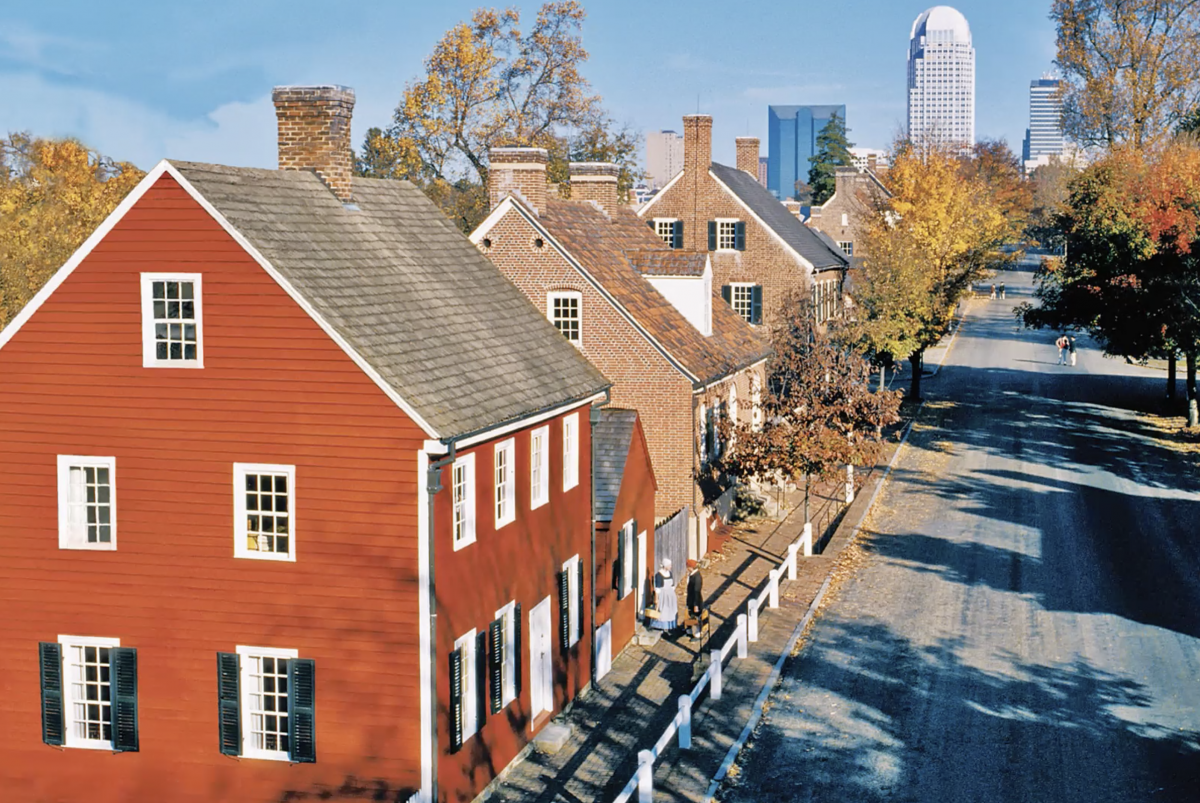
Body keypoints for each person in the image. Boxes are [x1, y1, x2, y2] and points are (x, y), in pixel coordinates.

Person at [651, 559, 677, 633]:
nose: (670, 566)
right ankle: (662, 627)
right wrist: (656, 599)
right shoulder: (659, 575)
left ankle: (670, 626)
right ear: (665, 566)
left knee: (671, 610)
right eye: (669, 565)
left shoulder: (670, 573)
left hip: (670, 595)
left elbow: (672, 585)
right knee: (663, 611)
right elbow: (657, 589)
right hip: (663, 596)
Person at [685, 561, 704, 638]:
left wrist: (696, 604)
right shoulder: (692, 575)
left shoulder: (697, 577)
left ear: (691, 567)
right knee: (690, 615)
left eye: (688, 567)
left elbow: (697, 591)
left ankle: (697, 633)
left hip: (695, 601)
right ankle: (689, 630)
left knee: (696, 617)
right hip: (691, 599)